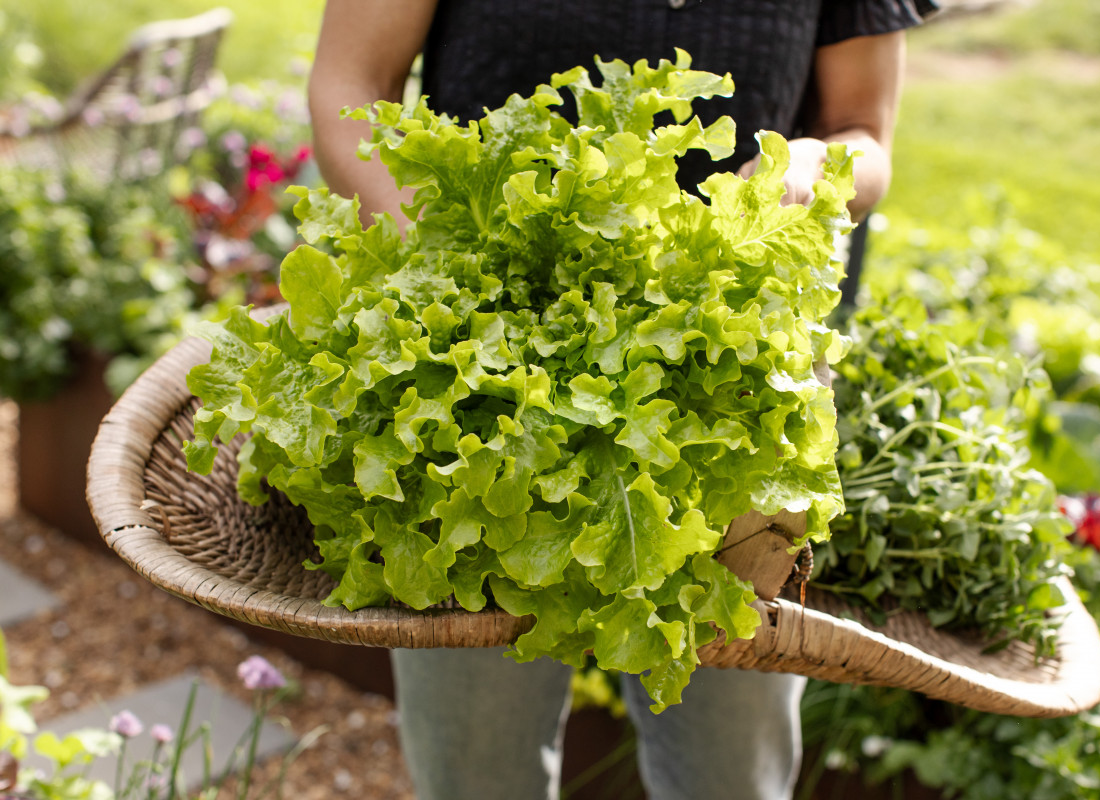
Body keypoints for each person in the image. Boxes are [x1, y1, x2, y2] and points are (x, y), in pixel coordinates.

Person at [306, 2, 937, 798]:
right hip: (474, 416)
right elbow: (350, 84)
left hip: (725, 413)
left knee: (728, 774)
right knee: (476, 771)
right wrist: (447, 277)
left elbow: (863, 131)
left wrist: (814, 168)